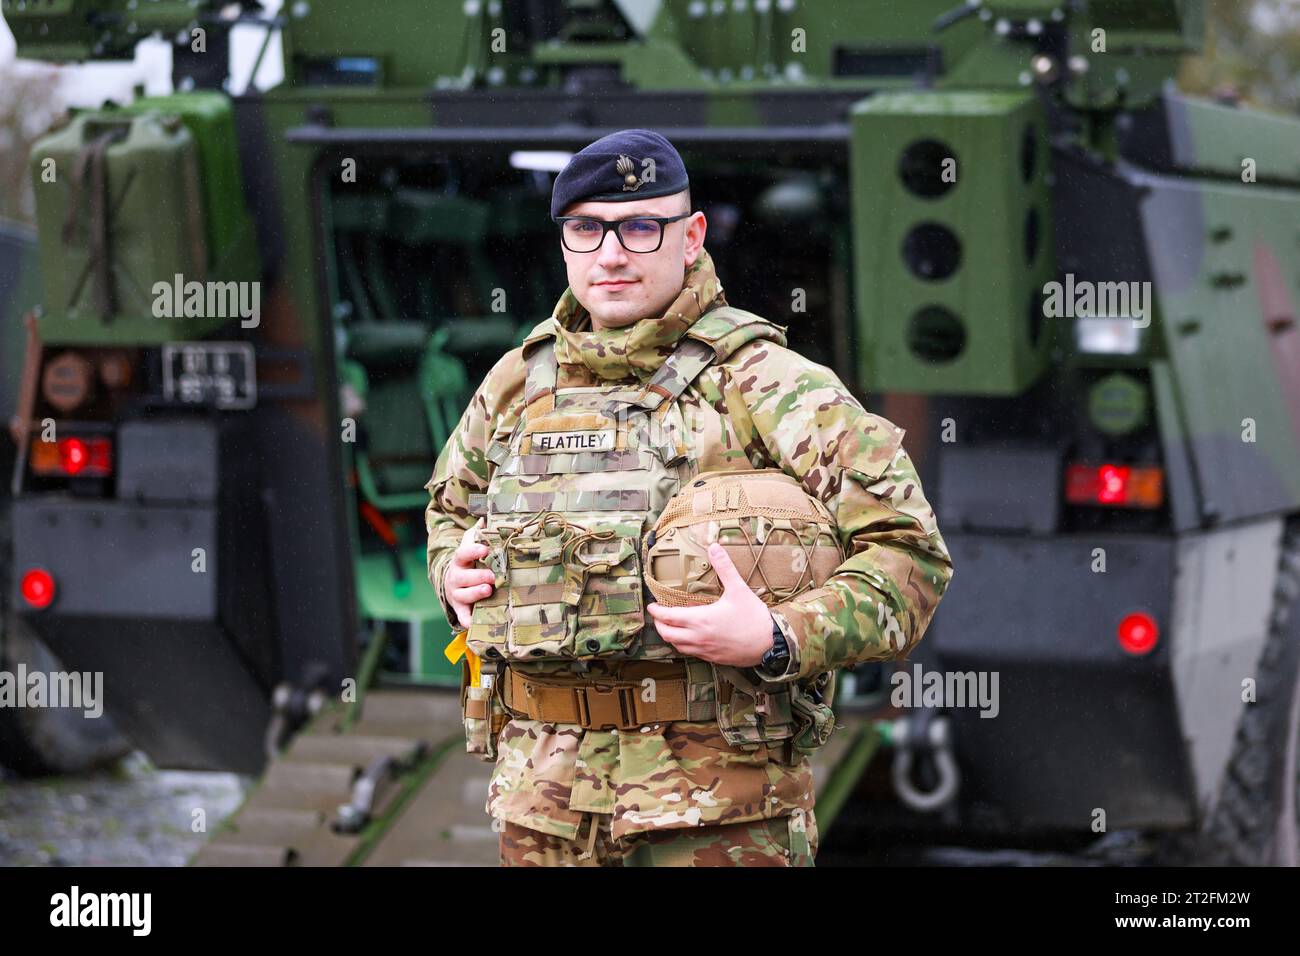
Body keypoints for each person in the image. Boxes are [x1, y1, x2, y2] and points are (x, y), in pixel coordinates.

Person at [425, 128, 953, 866]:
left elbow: (911, 556)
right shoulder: (516, 385)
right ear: (565, 241)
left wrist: (778, 637)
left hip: (717, 812)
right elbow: (451, 511)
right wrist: (452, 572)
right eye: (587, 229)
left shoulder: (768, 384)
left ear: (691, 234)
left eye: (641, 227)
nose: (612, 254)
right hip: (542, 806)